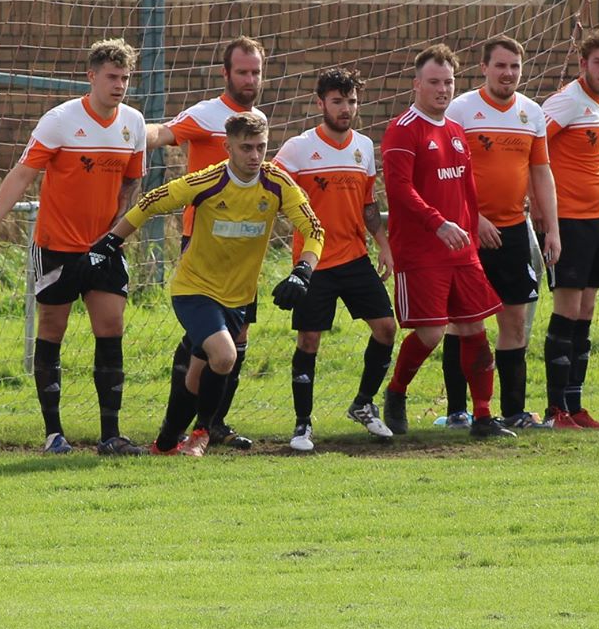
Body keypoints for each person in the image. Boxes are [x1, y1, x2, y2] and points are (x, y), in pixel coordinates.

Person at [106, 111, 323, 454]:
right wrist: (109, 242)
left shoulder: (278, 184)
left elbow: (313, 229)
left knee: (197, 376)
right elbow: (150, 202)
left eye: (261, 147)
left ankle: (165, 442)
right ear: (228, 148)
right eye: (246, 148)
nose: (255, 156)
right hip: (194, 289)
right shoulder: (207, 181)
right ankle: (201, 433)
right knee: (224, 356)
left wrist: (303, 270)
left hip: (237, 296)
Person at [0, 38, 147, 455]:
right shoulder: (61, 120)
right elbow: (22, 175)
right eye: (112, 77)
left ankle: (110, 435)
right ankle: (54, 434)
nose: (119, 85)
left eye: (125, 78)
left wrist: (117, 226)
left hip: (103, 248)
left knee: (111, 328)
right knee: (52, 330)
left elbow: (132, 178)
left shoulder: (134, 123)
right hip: (56, 247)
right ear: (91, 77)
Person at [378, 45, 513, 440]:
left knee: (475, 327)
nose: (442, 89)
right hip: (421, 252)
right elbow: (398, 189)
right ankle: (396, 393)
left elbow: (466, 189)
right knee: (433, 332)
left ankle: (484, 416)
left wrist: (473, 230)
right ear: (417, 84)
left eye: (448, 82)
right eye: (434, 82)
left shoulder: (454, 130)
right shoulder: (402, 129)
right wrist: (438, 223)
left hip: (462, 251)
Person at [147, 36, 265, 446]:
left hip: (244, 252)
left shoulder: (257, 122)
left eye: (255, 72)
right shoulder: (207, 115)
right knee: (206, 342)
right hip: (202, 244)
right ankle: (178, 430)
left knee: (237, 339)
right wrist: (121, 131)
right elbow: (162, 133)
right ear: (226, 74)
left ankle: (212, 424)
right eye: (242, 72)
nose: (250, 80)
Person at [273, 68, 397, 450]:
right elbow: (273, 192)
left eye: (352, 101)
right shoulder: (297, 148)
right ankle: (302, 425)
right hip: (314, 262)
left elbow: (367, 205)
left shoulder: (362, 146)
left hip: (355, 258)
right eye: (338, 101)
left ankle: (362, 405)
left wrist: (383, 244)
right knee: (309, 339)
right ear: (320, 103)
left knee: (386, 329)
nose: (346, 109)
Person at [442, 35, 561, 428]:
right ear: (484, 68)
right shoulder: (460, 110)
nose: (508, 73)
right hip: (467, 233)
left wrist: (552, 229)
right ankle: (458, 411)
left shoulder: (532, 113)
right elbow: (446, 174)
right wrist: (473, 218)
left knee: (514, 322)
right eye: (500, 65)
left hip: (512, 233)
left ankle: (513, 412)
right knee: (464, 323)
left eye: (514, 66)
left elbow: (541, 172)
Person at [540, 26, 599, 428]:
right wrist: (540, 210)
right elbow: (532, 147)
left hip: (595, 219)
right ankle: (556, 409)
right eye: (598, 62)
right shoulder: (566, 102)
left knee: (587, 309)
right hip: (566, 221)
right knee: (568, 309)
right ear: (583, 64)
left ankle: (576, 407)